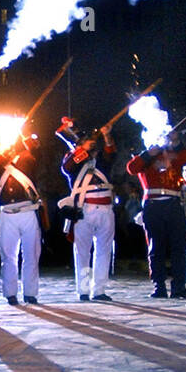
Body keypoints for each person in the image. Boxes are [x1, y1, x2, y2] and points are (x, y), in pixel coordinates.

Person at [126, 131, 186, 299]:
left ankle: (179, 286)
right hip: (153, 205)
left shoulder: (174, 156)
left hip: (173, 204)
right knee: (155, 247)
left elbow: (185, 157)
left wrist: (176, 140)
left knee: (179, 246)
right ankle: (159, 286)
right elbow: (131, 168)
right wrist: (148, 153)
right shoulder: (146, 160)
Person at [59, 122, 117, 302]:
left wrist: (107, 135)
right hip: (84, 209)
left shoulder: (101, 160)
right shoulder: (74, 159)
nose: (91, 144)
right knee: (82, 252)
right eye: (86, 141)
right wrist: (82, 149)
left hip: (106, 209)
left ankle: (99, 290)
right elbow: (67, 167)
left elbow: (111, 152)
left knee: (104, 251)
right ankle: (83, 290)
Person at [0, 126, 43, 305]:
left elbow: (33, 153)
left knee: (31, 254)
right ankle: (10, 293)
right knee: (8, 256)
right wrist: (1, 153)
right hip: (7, 214)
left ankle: (30, 293)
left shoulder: (26, 158)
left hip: (28, 211)